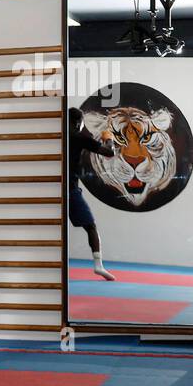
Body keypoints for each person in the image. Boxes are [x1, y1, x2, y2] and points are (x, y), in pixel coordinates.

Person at [68, 105, 117, 281]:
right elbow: (109, 153)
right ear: (78, 122)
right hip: (70, 190)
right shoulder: (80, 137)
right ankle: (98, 266)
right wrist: (109, 139)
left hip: (52, 189)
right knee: (91, 226)